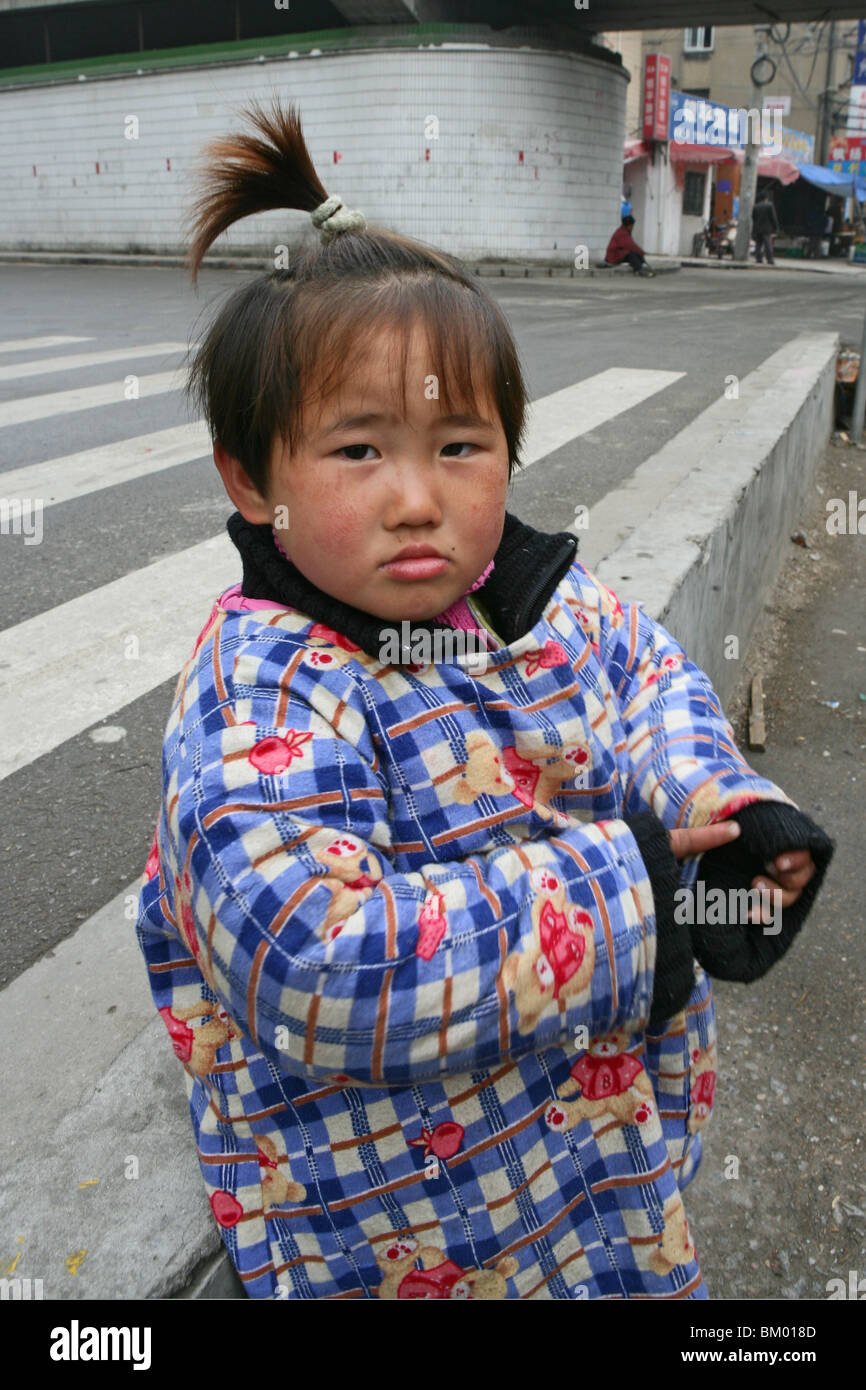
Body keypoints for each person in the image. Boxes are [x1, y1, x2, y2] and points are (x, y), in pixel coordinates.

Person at [136, 99, 834, 1300]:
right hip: (399, 1224)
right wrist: (632, 897)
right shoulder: (265, 692)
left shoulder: (530, 598)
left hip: (600, 1166)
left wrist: (723, 812)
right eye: (358, 452)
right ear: (253, 480)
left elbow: (649, 684)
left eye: (457, 444)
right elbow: (316, 956)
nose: (418, 497)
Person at [752, 193, 779, 264]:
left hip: (757, 228)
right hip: (767, 229)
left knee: (758, 244)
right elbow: (773, 217)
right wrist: (776, 228)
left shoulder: (755, 206)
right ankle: (770, 259)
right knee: (768, 244)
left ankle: (758, 258)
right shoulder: (769, 205)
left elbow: (753, 217)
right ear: (766, 198)